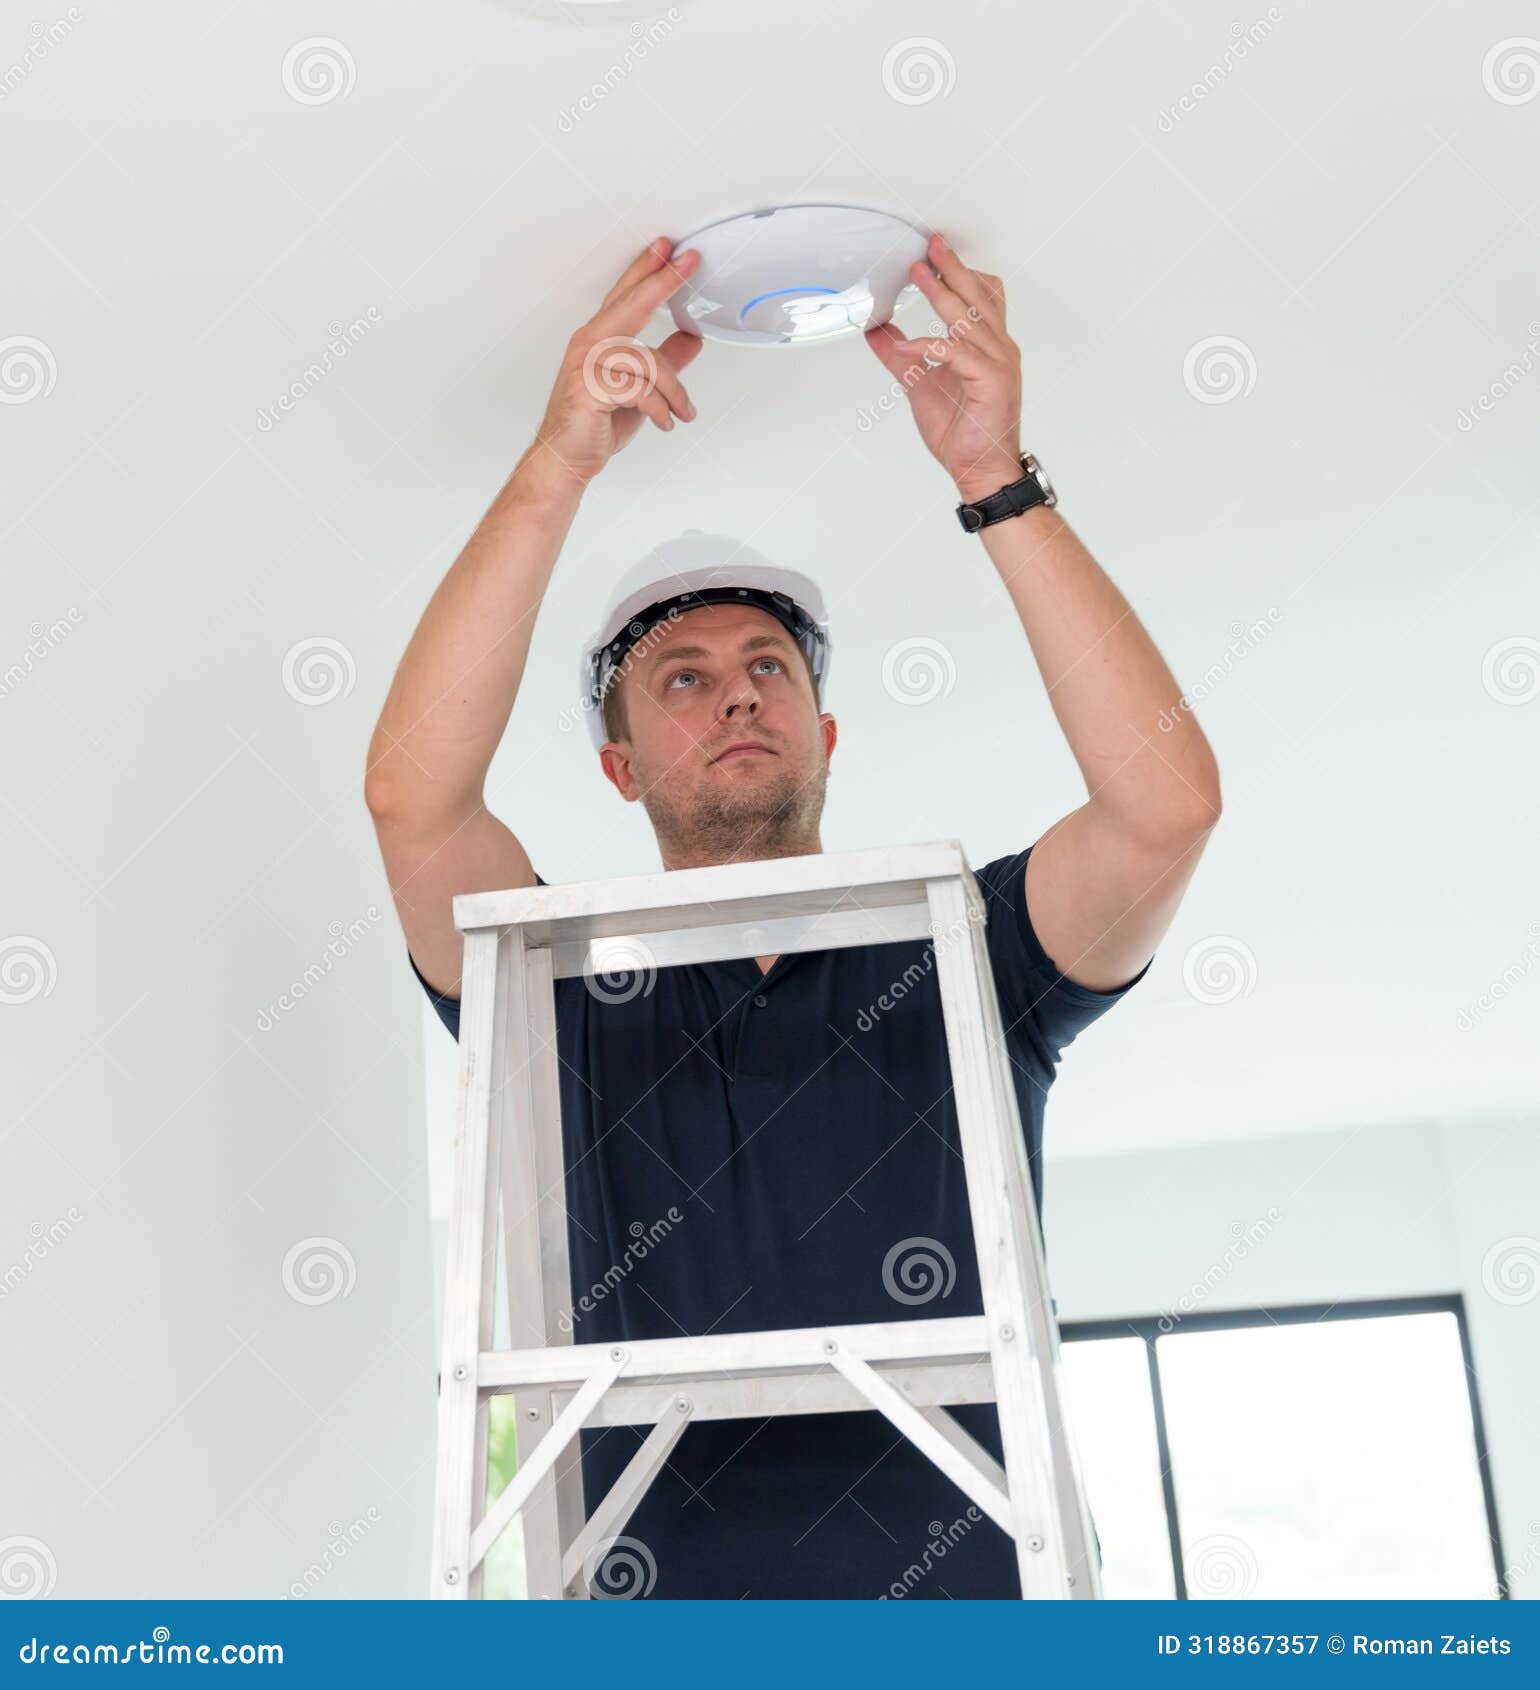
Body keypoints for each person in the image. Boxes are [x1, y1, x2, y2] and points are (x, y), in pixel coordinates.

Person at [365, 232, 1222, 1598]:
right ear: (621, 765)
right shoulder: (560, 989)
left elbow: (1165, 808)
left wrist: (993, 479)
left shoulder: (962, 951)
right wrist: (559, 458)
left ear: (824, 732)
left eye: (766, 664)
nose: (740, 692)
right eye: (683, 679)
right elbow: (414, 800)